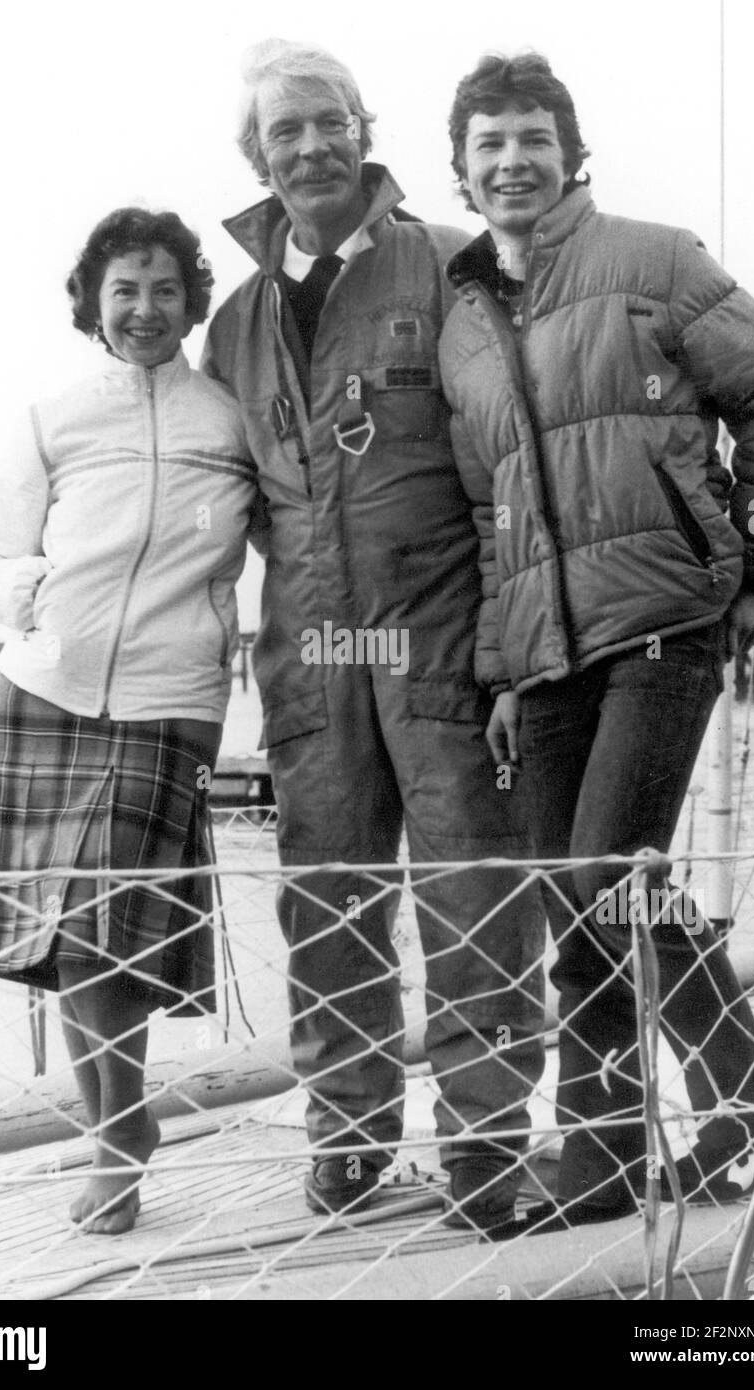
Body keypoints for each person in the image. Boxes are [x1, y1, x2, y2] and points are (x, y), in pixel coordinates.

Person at [439, 52, 754, 1228]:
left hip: (660, 624)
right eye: (488, 144)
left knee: (606, 883)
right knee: (586, 900)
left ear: (570, 152)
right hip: (546, 658)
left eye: (531, 139)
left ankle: (724, 1119)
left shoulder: (654, 259)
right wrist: (500, 669)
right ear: (460, 169)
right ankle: (612, 1158)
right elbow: (488, 512)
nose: (512, 161)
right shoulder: (461, 324)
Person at [203, 38, 545, 1233]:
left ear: (363, 128)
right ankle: (345, 1142)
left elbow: (510, 469)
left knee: (476, 896)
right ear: (257, 156)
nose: (309, 147)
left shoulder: (451, 271)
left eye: (326, 122)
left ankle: (489, 1155)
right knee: (328, 898)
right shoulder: (233, 323)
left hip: (440, 642)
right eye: (283, 132)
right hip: (308, 653)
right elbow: (218, 504)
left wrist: (506, 650)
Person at [0, 208, 259, 1234]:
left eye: (165, 288)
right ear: (91, 299)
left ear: (191, 300)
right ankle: (117, 1133)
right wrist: (25, 595)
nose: (144, 308)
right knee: (58, 939)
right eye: (124, 288)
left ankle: (117, 1137)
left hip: (171, 696)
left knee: (108, 942)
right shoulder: (51, 418)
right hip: (48, 692)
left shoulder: (228, 418)